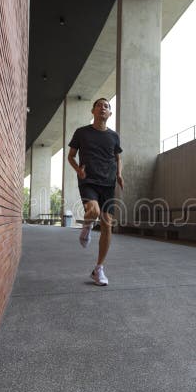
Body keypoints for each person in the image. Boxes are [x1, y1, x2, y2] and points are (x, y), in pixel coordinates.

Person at [67, 98, 124, 286]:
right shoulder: (82, 132)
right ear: (93, 111)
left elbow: (117, 158)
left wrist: (119, 175)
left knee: (107, 225)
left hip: (108, 183)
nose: (102, 108)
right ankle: (87, 227)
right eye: (99, 105)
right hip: (88, 179)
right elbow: (71, 156)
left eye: (106, 106)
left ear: (109, 114)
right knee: (94, 211)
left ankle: (98, 269)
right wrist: (78, 170)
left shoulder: (114, 136)